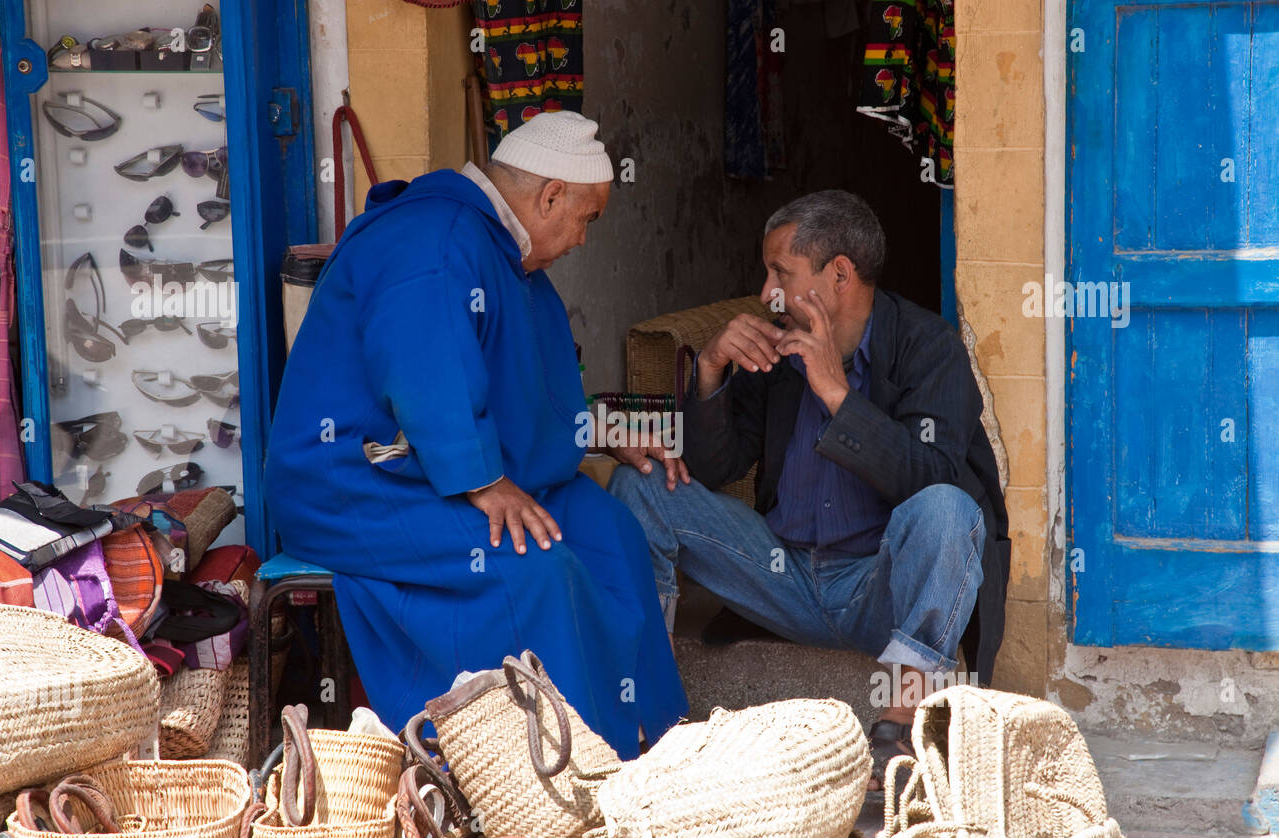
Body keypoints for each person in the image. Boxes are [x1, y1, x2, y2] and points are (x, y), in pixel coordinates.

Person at [264, 112, 687, 759]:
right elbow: (423, 365)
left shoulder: (499, 253)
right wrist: (485, 481)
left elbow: (521, 394)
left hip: (433, 471)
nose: (581, 238)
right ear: (549, 195)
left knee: (610, 533)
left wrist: (593, 428)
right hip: (356, 485)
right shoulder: (432, 236)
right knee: (535, 569)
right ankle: (563, 771)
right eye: (585, 218)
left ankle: (645, 738)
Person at [608, 190, 1010, 785]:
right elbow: (708, 469)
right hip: (781, 576)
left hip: (881, 588)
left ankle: (899, 727)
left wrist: (837, 395)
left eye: (780, 273)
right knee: (638, 483)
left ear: (840, 274)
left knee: (949, 508)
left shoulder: (930, 348)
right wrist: (712, 371)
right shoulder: (778, 345)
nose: (767, 289)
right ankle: (655, 701)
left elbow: (933, 481)